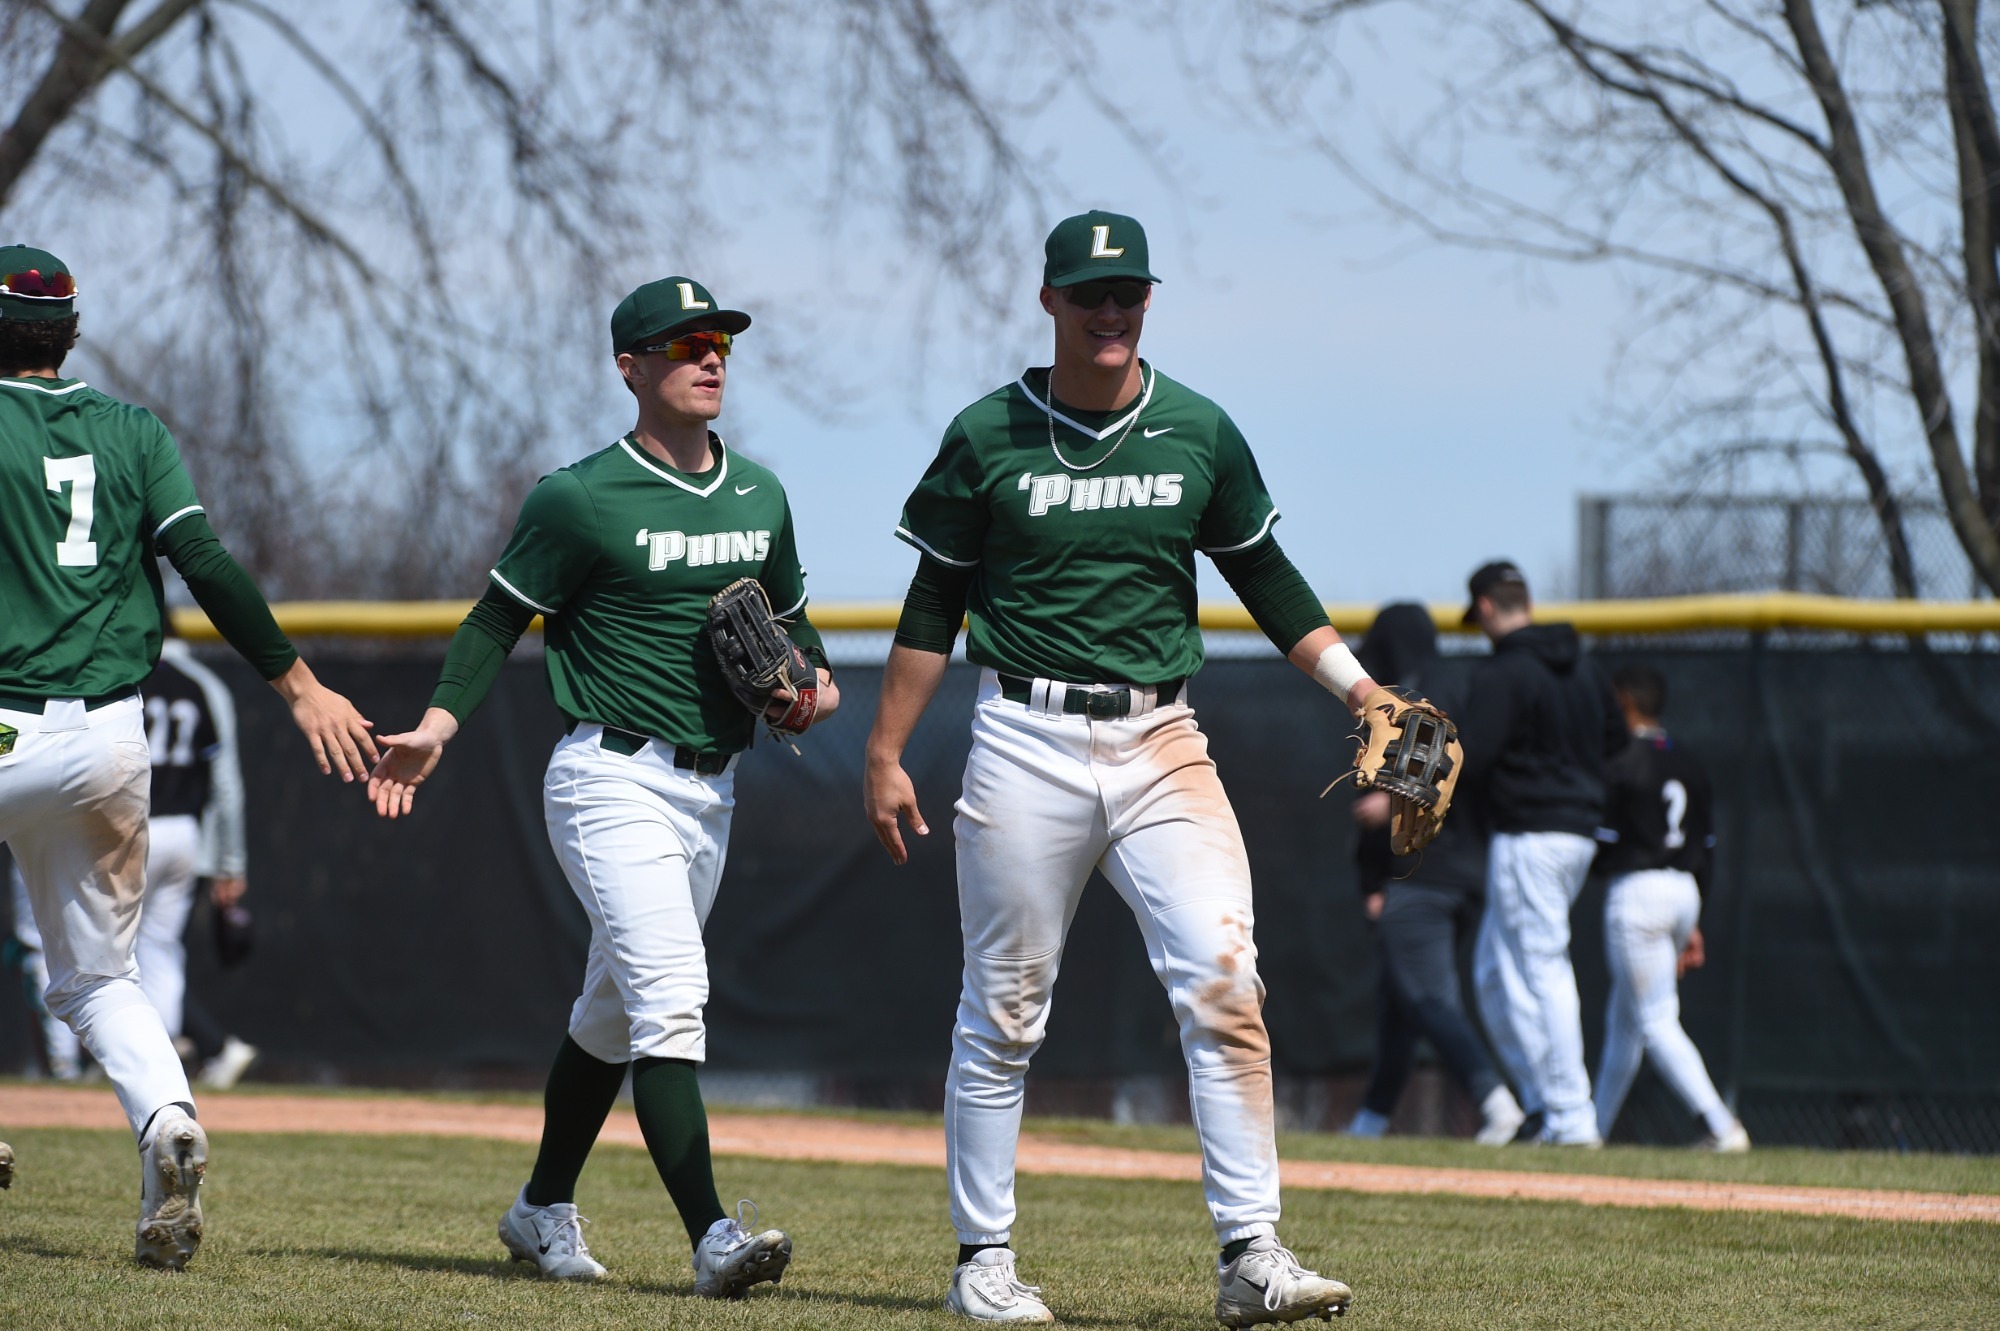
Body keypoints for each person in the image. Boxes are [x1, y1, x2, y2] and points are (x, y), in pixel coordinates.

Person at [865, 211, 1364, 1326]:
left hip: (1161, 739)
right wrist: (886, 750)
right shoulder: (987, 433)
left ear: (1147, 300)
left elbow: (1264, 575)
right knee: (1003, 1010)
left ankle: (1251, 1253)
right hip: (1023, 738)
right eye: (1090, 293)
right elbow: (933, 602)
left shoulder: (1196, 428)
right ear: (1049, 300)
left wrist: (1363, 691)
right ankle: (982, 1258)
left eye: (1127, 292)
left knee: (1225, 981)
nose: (1110, 310)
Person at [366, 275, 839, 1299]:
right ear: (630, 366)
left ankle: (539, 1204)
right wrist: (439, 724)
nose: (708, 358)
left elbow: (798, 633)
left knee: (613, 1013)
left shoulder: (760, 493)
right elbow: (496, 618)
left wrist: (813, 689)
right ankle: (713, 1236)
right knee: (670, 997)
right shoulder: (578, 495)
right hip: (608, 778)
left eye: (718, 343)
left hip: (712, 791)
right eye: (683, 345)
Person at [0, 244, 378, 1268]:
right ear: (70, 331)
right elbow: (202, 557)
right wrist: (300, 687)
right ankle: (168, 1116)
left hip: (7, 717)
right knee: (97, 976)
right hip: (110, 740)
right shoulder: (133, 430)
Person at [1457, 561, 1627, 1146]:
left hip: (1529, 835)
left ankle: (1572, 1116)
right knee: (1491, 972)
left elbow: (1473, 757)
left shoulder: (1503, 672)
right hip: (1577, 833)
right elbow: (1618, 743)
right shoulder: (1585, 668)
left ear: (1485, 607)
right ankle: (1541, 1105)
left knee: (1540, 969)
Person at [1341, 604, 1524, 1146]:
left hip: (1421, 877)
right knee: (1401, 1001)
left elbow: (1411, 783)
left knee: (1426, 999)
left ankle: (1497, 1103)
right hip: (1471, 873)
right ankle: (1370, 1121)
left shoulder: (1407, 700)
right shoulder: (1469, 687)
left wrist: (1375, 876)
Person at [1592, 664, 1749, 1150]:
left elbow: (1604, 847)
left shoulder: (1622, 760)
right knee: (1625, 1022)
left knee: (1656, 1020)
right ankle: (1592, 1132)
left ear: (1625, 703)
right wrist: (1694, 921)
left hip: (1640, 892)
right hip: (1684, 891)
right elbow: (1707, 848)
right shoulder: (1688, 761)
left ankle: (1720, 1125)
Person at [136, 629, 261, 1089]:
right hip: (188, 836)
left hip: (134, 827)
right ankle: (173, 1055)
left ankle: (78, 1064)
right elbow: (225, 785)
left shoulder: (126, 675)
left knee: (111, 954)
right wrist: (231, 861)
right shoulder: (203, 684)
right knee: (161, 949)